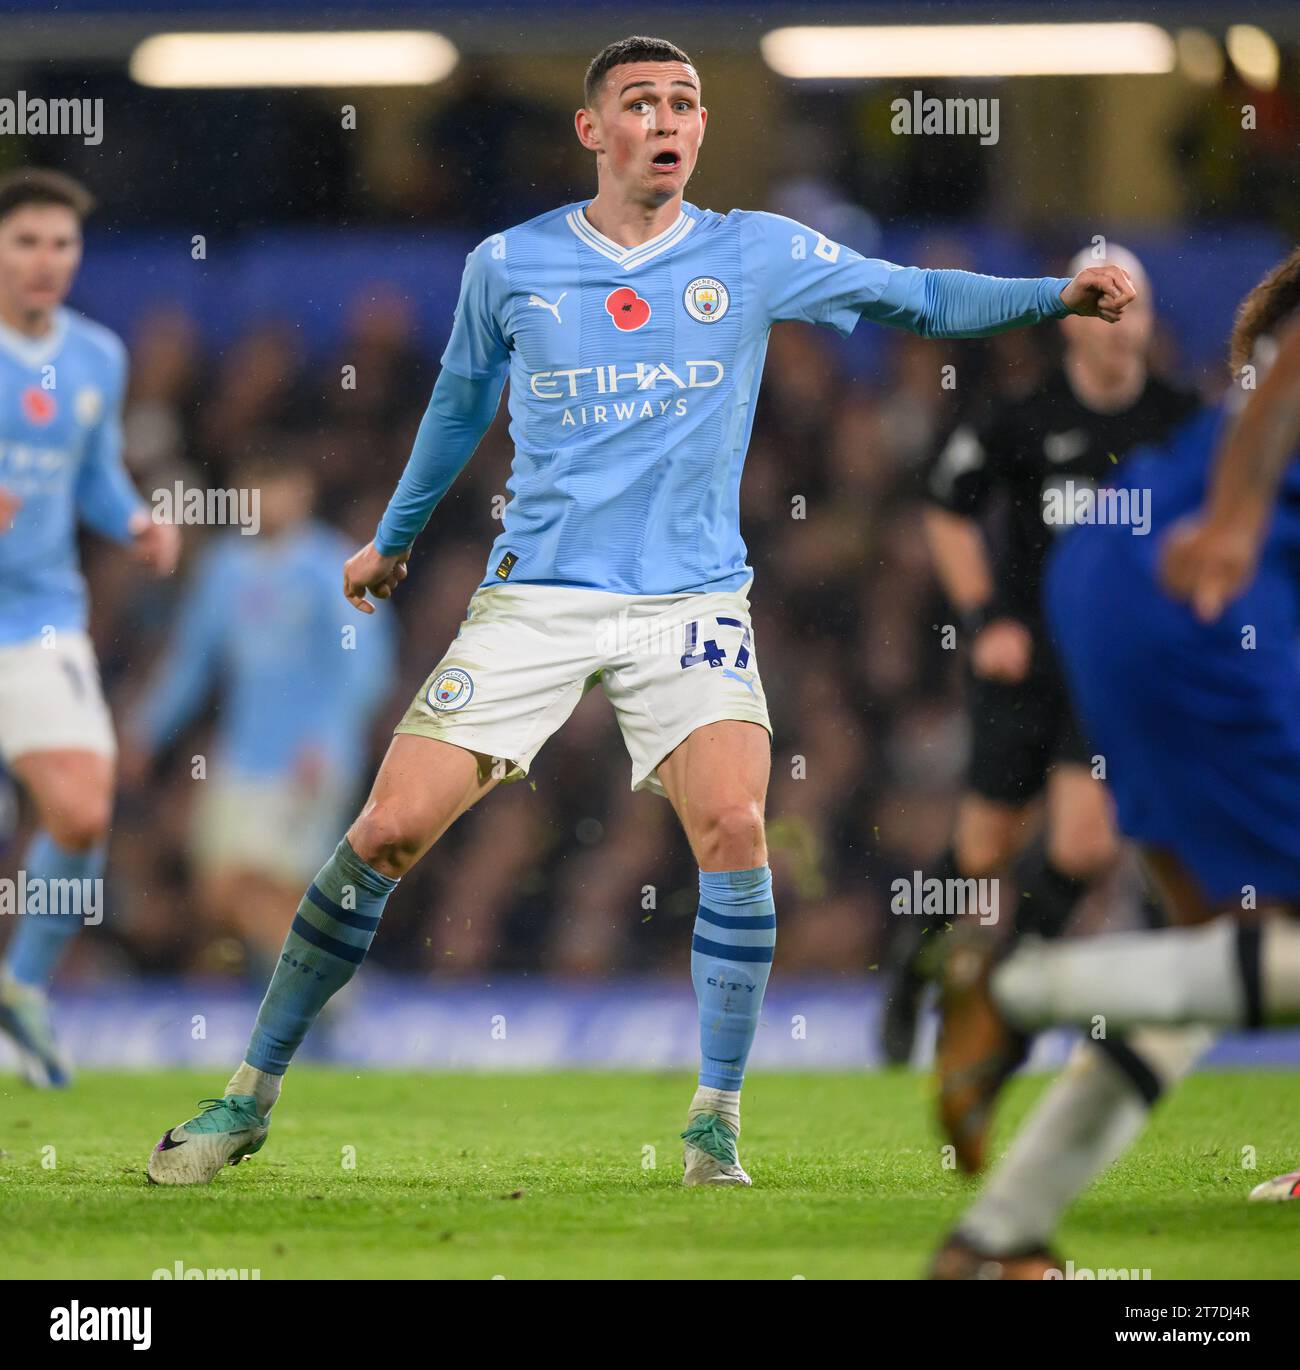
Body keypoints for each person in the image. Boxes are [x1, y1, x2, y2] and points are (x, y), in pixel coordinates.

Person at [145, 34, 1136, 1187]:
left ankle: (712, 1124)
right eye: (642, 102)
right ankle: (248, 1094)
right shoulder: (507, 266)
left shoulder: (753, 252)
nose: (669, 120)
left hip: (690, 602)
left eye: (686, 103)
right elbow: (458, 413)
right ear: (592, 130)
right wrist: (394, 538)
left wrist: (1051, 294)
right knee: (383, 832)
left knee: (737, 826)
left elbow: (914, 297)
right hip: (538, 598)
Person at [932, 248, 1300, 1278]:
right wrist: (1231, 525)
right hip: (1193, 591)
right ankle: (1016, 985)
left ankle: (996, 1237)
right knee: (1267, 947)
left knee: (1216, 954)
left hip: (1126, 587)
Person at [880, 245, 1197, 1064]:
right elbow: (947, 507)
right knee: (985, 848)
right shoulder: (1022, 414)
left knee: (1086, 846)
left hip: (1113, 674)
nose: (1125, 324)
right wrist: (985, 617)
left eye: (1140, 306)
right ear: (1075, 319)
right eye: (1110, 304)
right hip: (1028, 665)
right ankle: (913, 974)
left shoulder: (1180, 425)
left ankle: (1003, 999)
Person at [0, 169, 179, 1086]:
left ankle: (21, 987)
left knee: (79, 807)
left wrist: (137, 521)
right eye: (27, 241)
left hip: (37, 616)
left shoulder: (96, 356)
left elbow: (94, 473)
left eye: (61, 244)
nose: (45, 261)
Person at [122, 449, 395, 977]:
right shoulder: (225, 569)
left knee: (273, 884)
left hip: (307, 759)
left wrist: (328, 739)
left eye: (279, 488)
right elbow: (191, 661)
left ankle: (326, 999)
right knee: (220, 891)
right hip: (241, 758)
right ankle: (324, 993)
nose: (268, 503)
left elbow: (367, 670)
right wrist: (145, 732)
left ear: (303, 492)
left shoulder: (333, 566)